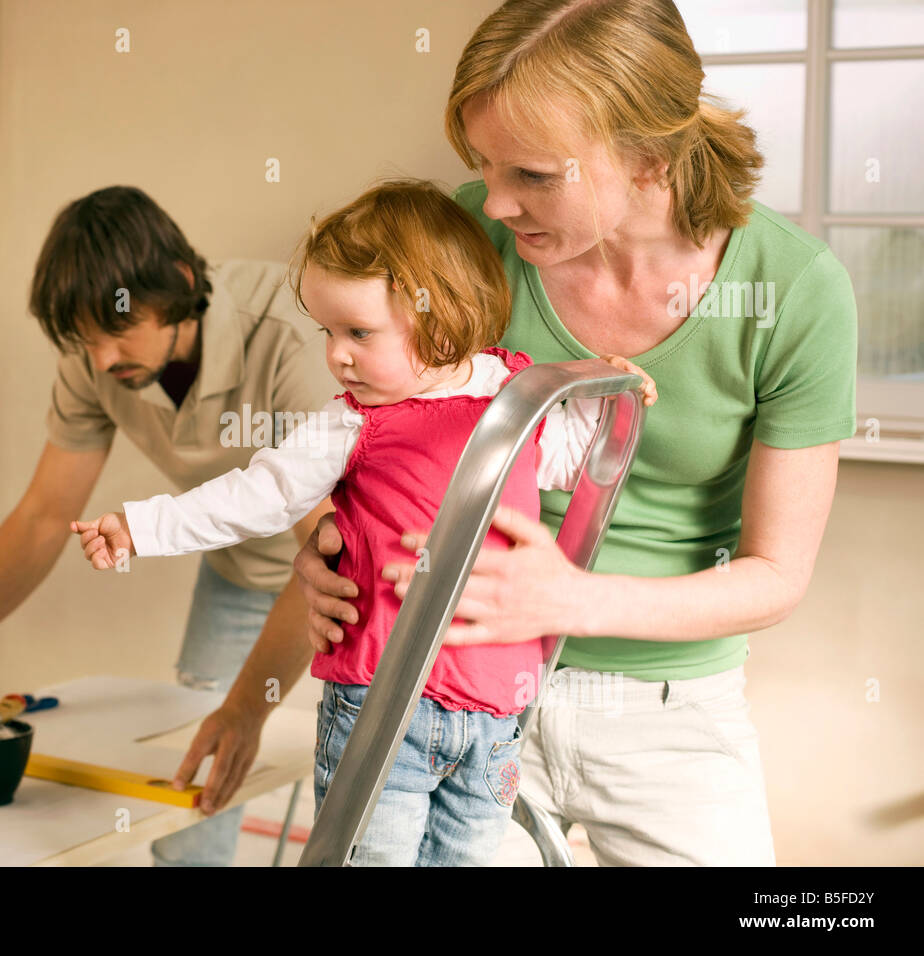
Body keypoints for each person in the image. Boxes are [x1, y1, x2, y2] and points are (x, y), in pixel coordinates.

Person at [293, 0, 857, 866]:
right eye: (483, 164)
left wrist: (569, 601)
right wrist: (324, 543)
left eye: (532, 174)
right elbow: (368, 433)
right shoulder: (467, 240)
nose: (496, 200)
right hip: (445, 687)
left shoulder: (795, 288)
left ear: (651, 156)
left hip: (669, 715)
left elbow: (776, 575)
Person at [72, 179, 657, 865]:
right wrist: (142, 527)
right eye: (328, 331)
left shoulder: (515, 400)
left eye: (358, 332)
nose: (336, 355)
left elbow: (576, 462)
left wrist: (611, 398)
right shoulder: (350, 423)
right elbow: (259, 495)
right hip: (382, 709)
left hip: (494, 713)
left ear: (442, 321)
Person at [0, 185, 340, 867]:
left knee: (353, 776)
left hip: (347, 565)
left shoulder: (293, 336)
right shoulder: (95, 362)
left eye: (116, 331)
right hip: (238, 571)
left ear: (180, 283)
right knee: (194, 788)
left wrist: (250, 706)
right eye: (86, 340)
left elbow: (327, 552)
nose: (102, 359)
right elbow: (43, 516)